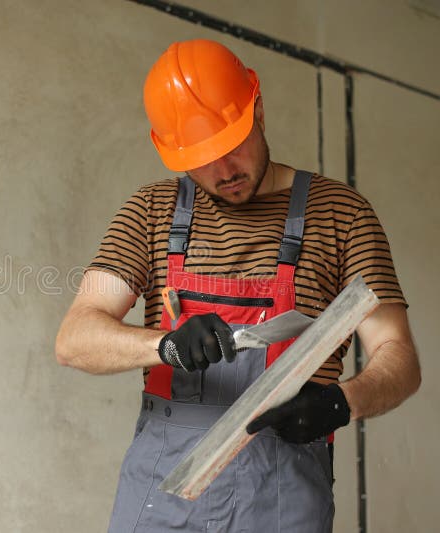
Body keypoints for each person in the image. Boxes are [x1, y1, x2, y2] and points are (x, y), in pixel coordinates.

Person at [55, 38, 420, 532]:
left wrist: (342, 401)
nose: (224, 171)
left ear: (259, 108)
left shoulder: (341, 215)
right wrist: (164, 345)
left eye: (233, 147)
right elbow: (75, 340)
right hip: (165, 487)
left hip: (285, 483)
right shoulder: (150, 212)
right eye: (201, 158)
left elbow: (398, 355)